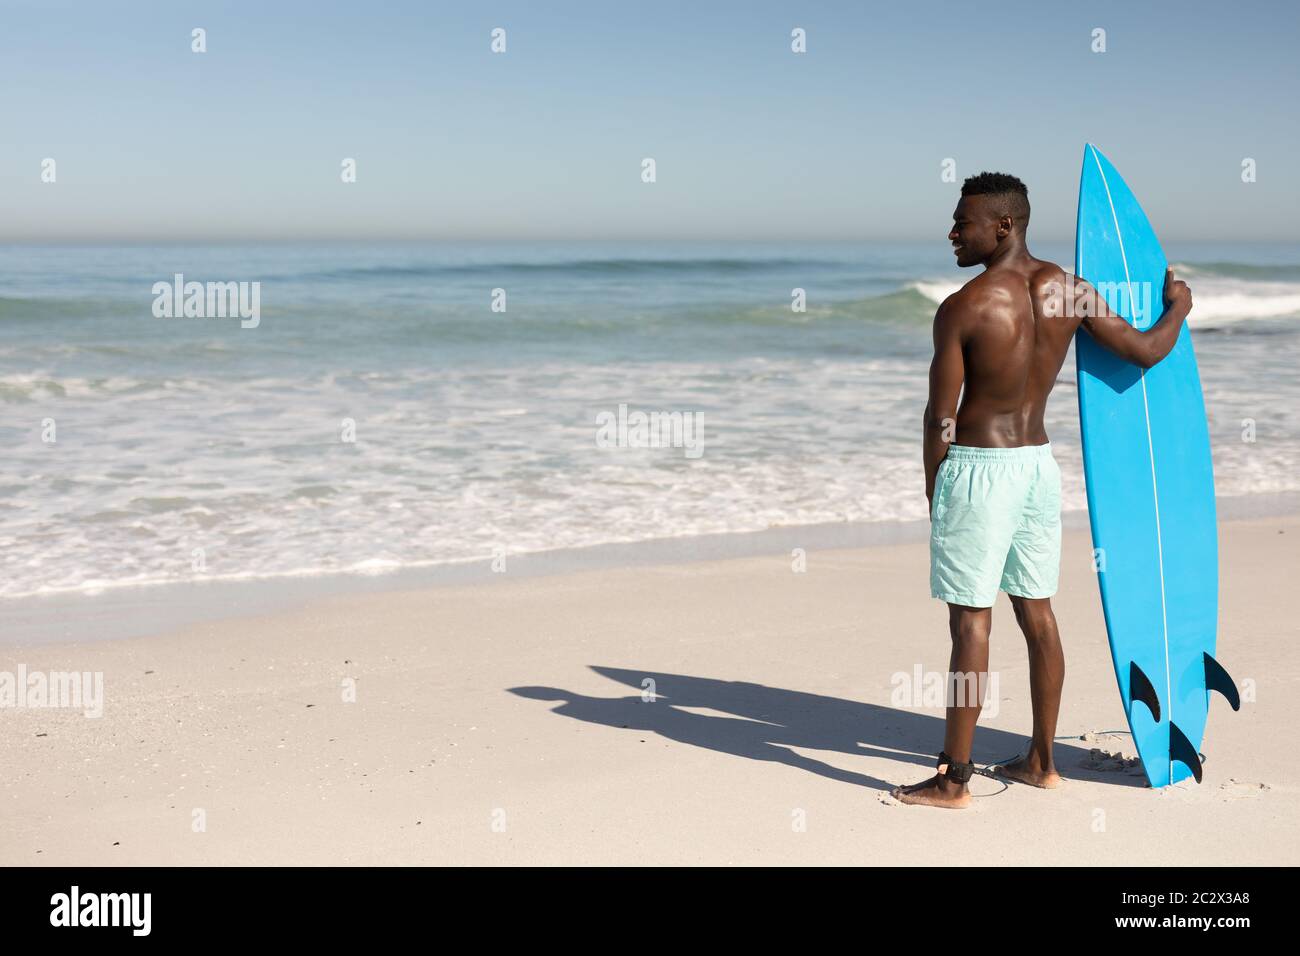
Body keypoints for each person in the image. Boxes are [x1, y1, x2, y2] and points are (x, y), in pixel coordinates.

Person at [891, 171, 1193, 808]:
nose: (951, 233)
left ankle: (954, 779)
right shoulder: (1069, 293)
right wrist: (1180, 309)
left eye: (962, 221)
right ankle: (1041, 760)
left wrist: (933, 485)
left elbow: (939, 415)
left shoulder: (964, 307)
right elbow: (1144, 351)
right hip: (1035, 467)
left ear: (1003, 225)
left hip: (977, 468)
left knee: (971, 625)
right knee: (1038, 611)